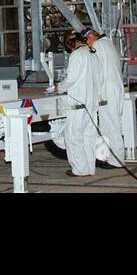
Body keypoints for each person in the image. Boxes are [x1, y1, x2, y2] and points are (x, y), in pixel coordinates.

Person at [53, 30, 100, 177]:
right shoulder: (93, 54)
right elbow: (100, 77)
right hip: (92, 102)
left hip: (78, 103)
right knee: (89, 136)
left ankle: (80, 169)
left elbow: (71, 79)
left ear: (71, 42)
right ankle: (89, 168)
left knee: (73, 136)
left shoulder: (77, 55)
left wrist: (58, 87)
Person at [87, 28, 126, 168]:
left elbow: (97, 71)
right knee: (114, 123)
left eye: (87, 42)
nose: (88, 46)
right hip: (116, 86)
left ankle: (116, 160)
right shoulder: (108, 43)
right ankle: (113, 157)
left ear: (91, 37)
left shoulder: (98, 45)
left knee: (110, 125)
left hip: (107, 90)